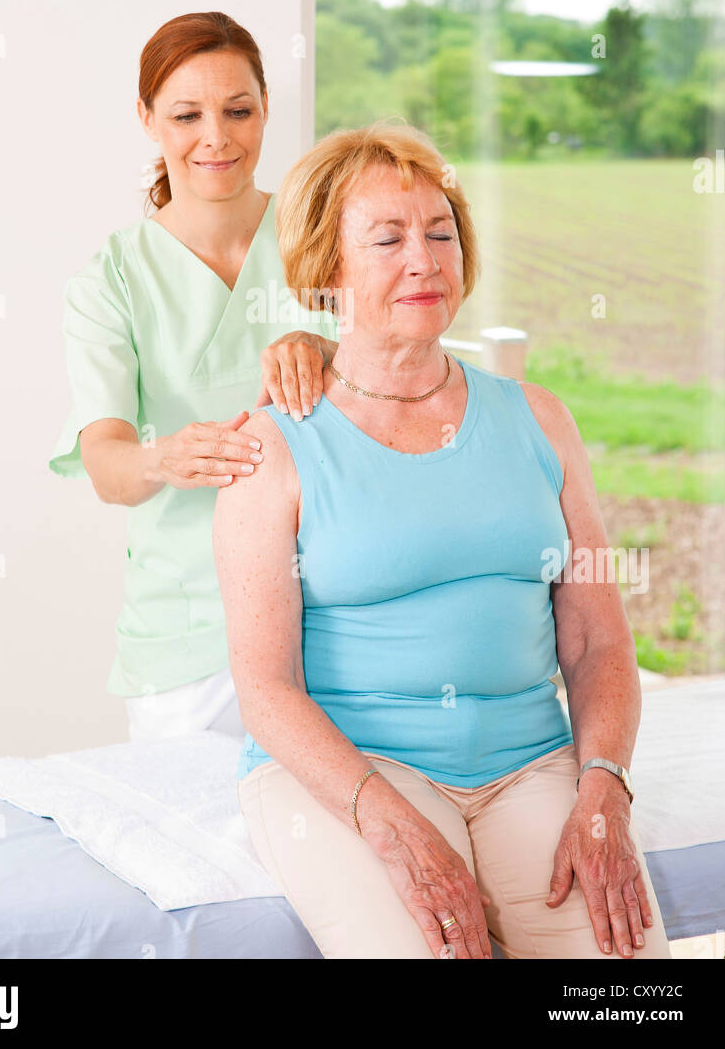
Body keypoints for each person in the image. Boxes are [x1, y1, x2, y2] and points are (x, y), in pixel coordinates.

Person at [212, 120, 671, 961]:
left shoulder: (540, 420)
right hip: (352, 772)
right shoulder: (273, 447)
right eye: (387, 239)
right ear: (326, 271)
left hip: (529, 767)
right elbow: (265, 690)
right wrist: (391, 826)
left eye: (440, 232)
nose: (424, 259)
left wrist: (604, 786)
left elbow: (600, 641)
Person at [48, 12, 337, 743]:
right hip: (188, 644)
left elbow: (405, 385)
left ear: (266, 109)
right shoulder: (110, 280)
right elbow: (109, 465)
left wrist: (334, 352)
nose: (217, 137)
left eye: (238, 111)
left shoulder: (326, 242)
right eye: (186, 115)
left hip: (340, 618)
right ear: (147, 120)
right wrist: (163, 456)